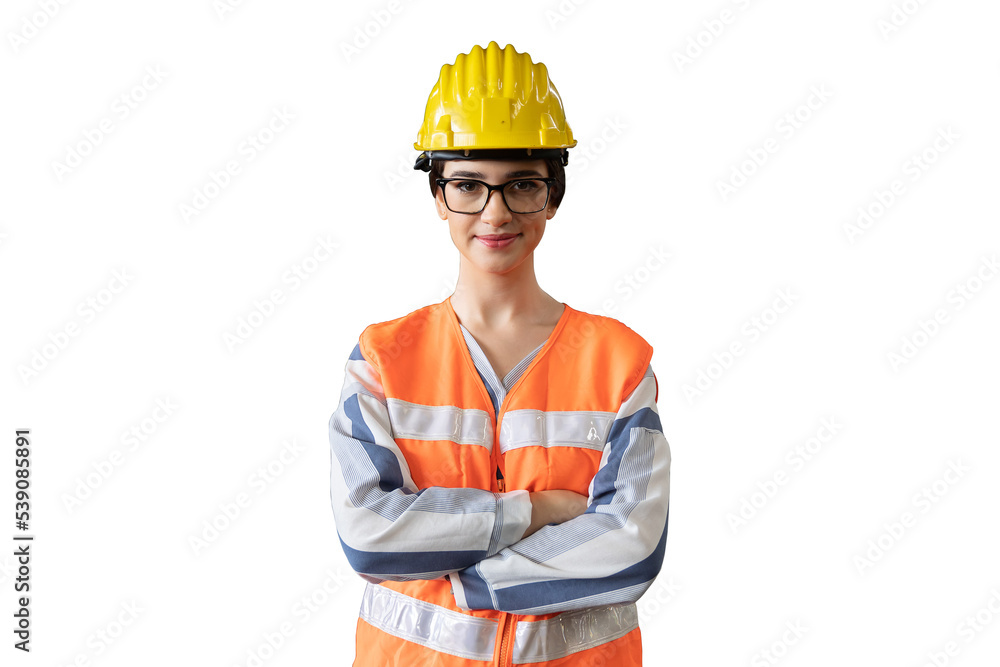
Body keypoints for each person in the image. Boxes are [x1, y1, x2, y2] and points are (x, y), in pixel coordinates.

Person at [328, 41, 671, 666]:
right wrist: (537, 512)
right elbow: (370, 537)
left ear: (554, 195)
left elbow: (633, 547)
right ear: (437, 196)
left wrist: (455, 573)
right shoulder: (381, 360)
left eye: (521, 185)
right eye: (467, 185)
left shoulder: (619, 363)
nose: (495, 212)